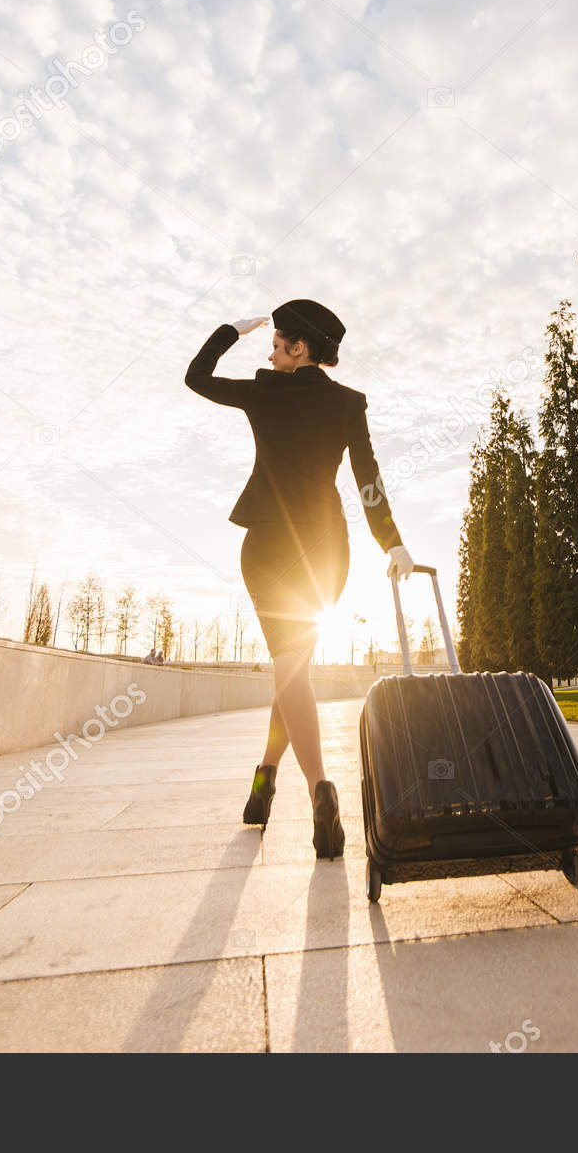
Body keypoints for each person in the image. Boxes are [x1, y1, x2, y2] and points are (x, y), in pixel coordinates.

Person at [186, 300, 414, 860]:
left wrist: (231, 331)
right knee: (293, 674)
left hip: (267, 546)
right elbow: (368, 481)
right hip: (326, 549)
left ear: (299, 349)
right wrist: (393, 542)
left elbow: (196, 377)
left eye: (276, 341)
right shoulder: (348, 404)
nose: (269, 350)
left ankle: (319, 791)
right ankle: (264, 780)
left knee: (291, 673)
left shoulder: (263, 392)